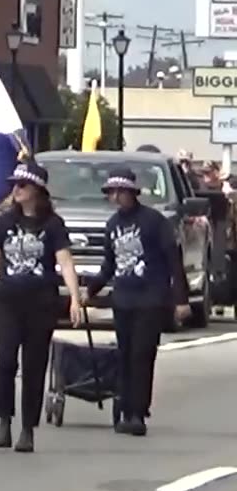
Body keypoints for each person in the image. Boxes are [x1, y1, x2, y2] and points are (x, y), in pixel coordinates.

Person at [0, 161, 84, 454]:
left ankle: (27, 429)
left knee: (34, 365)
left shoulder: (52, 224)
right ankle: (4, 423)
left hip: (40, 302)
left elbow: (65, 261)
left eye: (22, 185)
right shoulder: (6, 221)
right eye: (14, 185)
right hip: (6, 301)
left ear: (37, 189)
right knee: (5, 361)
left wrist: (75, 298)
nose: (16, 190)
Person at [85, 168, 187, 437]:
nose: (115, 197)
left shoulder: (154, 221)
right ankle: (124, 407)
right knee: (124, 355)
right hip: (123, 299)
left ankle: (138, 412)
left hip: (151, 299)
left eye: (120, 192)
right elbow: (109, 265)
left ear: (132, 193)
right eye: (111, 193)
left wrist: (180, 300)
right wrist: (90, 290)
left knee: (142, 355)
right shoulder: (112, 225)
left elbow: (173, 261)